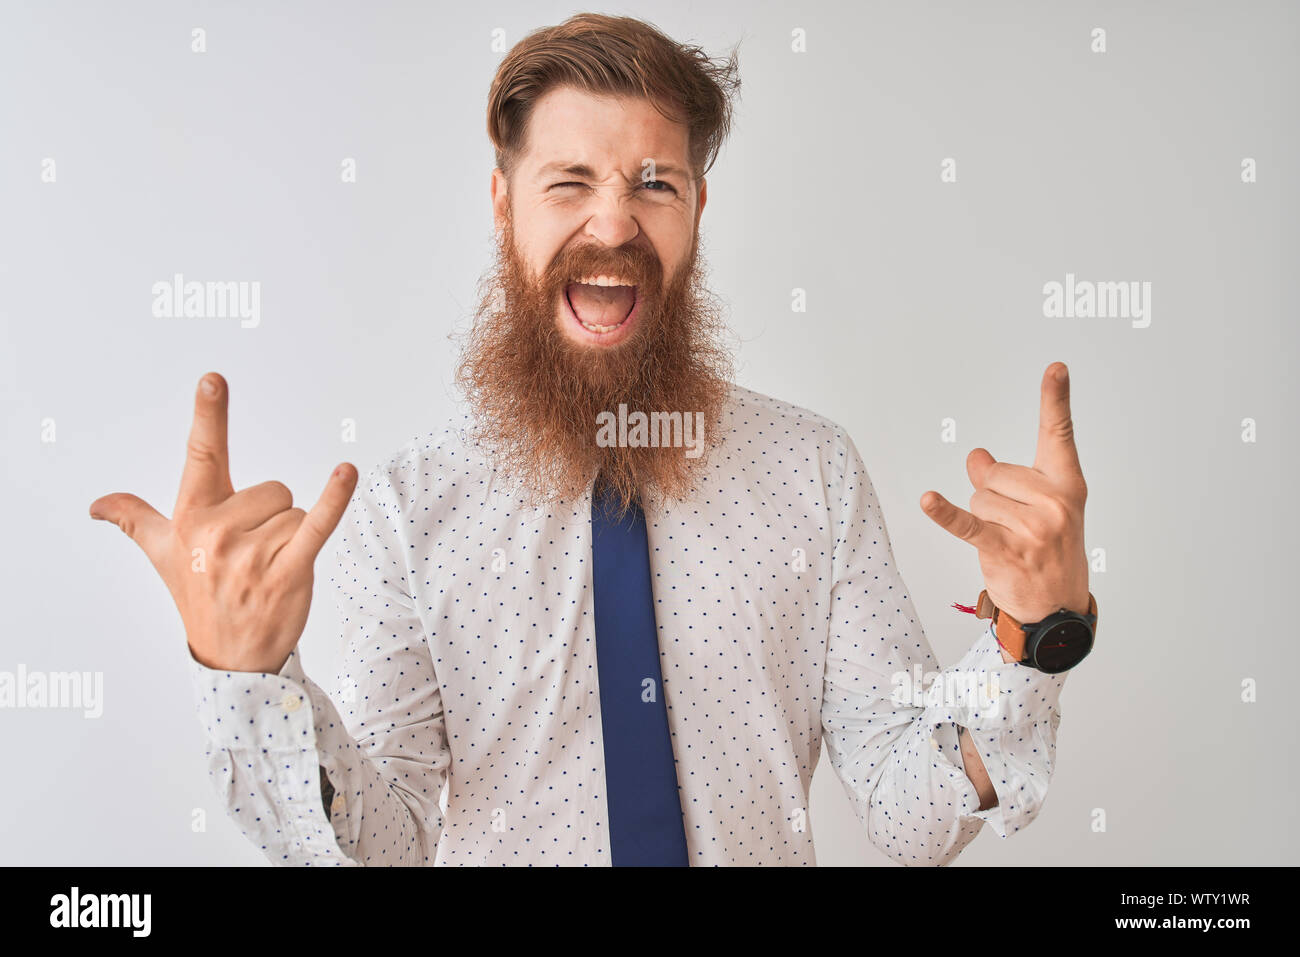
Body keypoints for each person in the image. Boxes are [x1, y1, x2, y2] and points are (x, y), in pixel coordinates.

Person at [90, 13, 1095, 866]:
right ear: (504, 208)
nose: (612, 224)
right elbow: (386, 843)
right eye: (568, 181)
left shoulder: (812, 473)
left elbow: (907, 813)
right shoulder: (405, 510)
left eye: (654, 184)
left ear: (697, 211)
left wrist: (1027, 640)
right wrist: (254, 680)